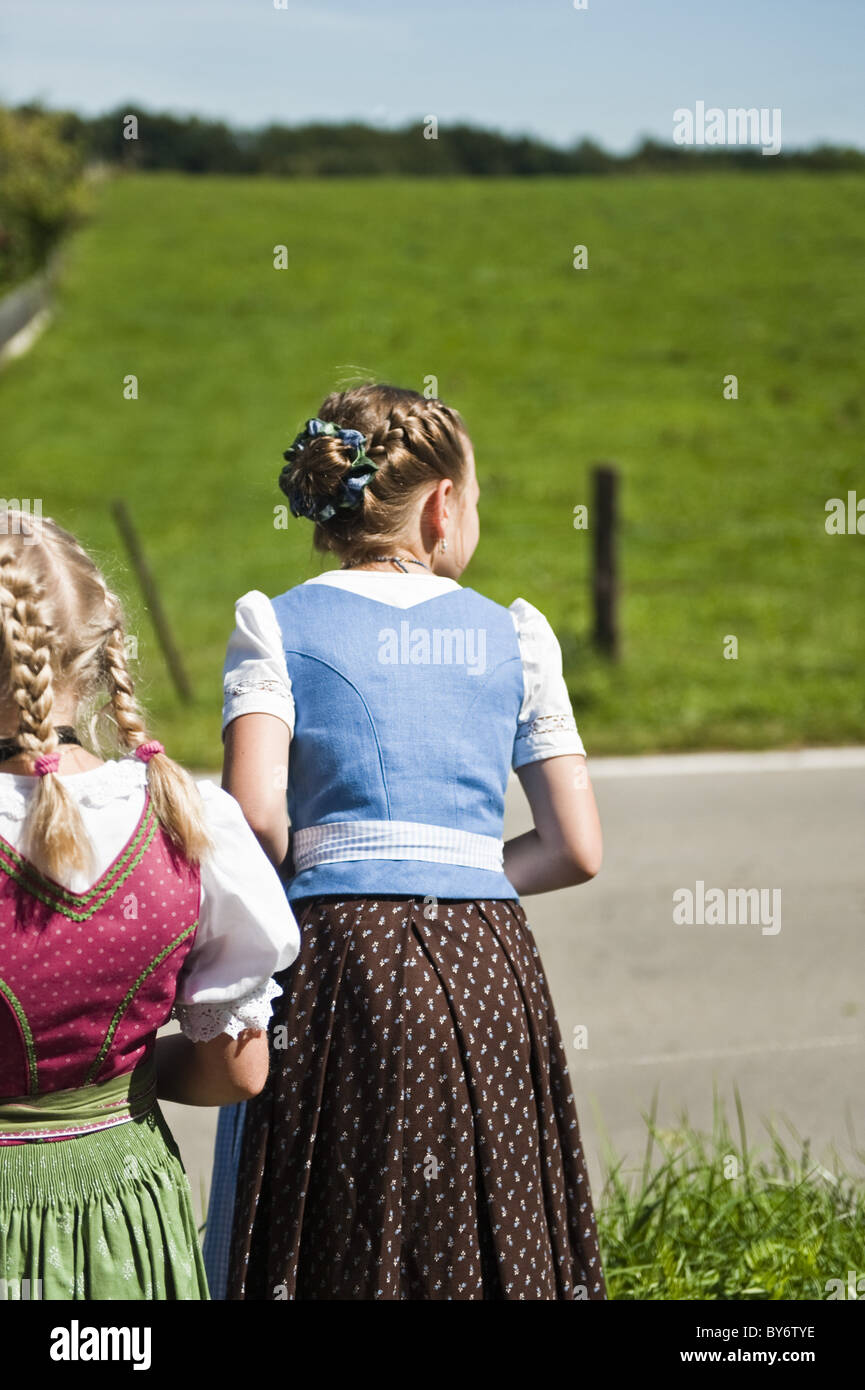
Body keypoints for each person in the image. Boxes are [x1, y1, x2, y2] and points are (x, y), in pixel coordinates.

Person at [211, 385, 606, 1301]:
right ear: (439, 507)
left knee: (335, 1208)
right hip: (484, 955)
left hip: (337, 954)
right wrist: (458, 866)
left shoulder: (274, 623)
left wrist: (332, 868)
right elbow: (575, 845)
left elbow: (255, 815)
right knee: (487, 1196)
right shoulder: (516, 634)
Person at [0, 510, 299, 1300]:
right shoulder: (188, 819)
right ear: (101, 653)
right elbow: (237, 1070)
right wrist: (114, 1079)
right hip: (122, 1212)